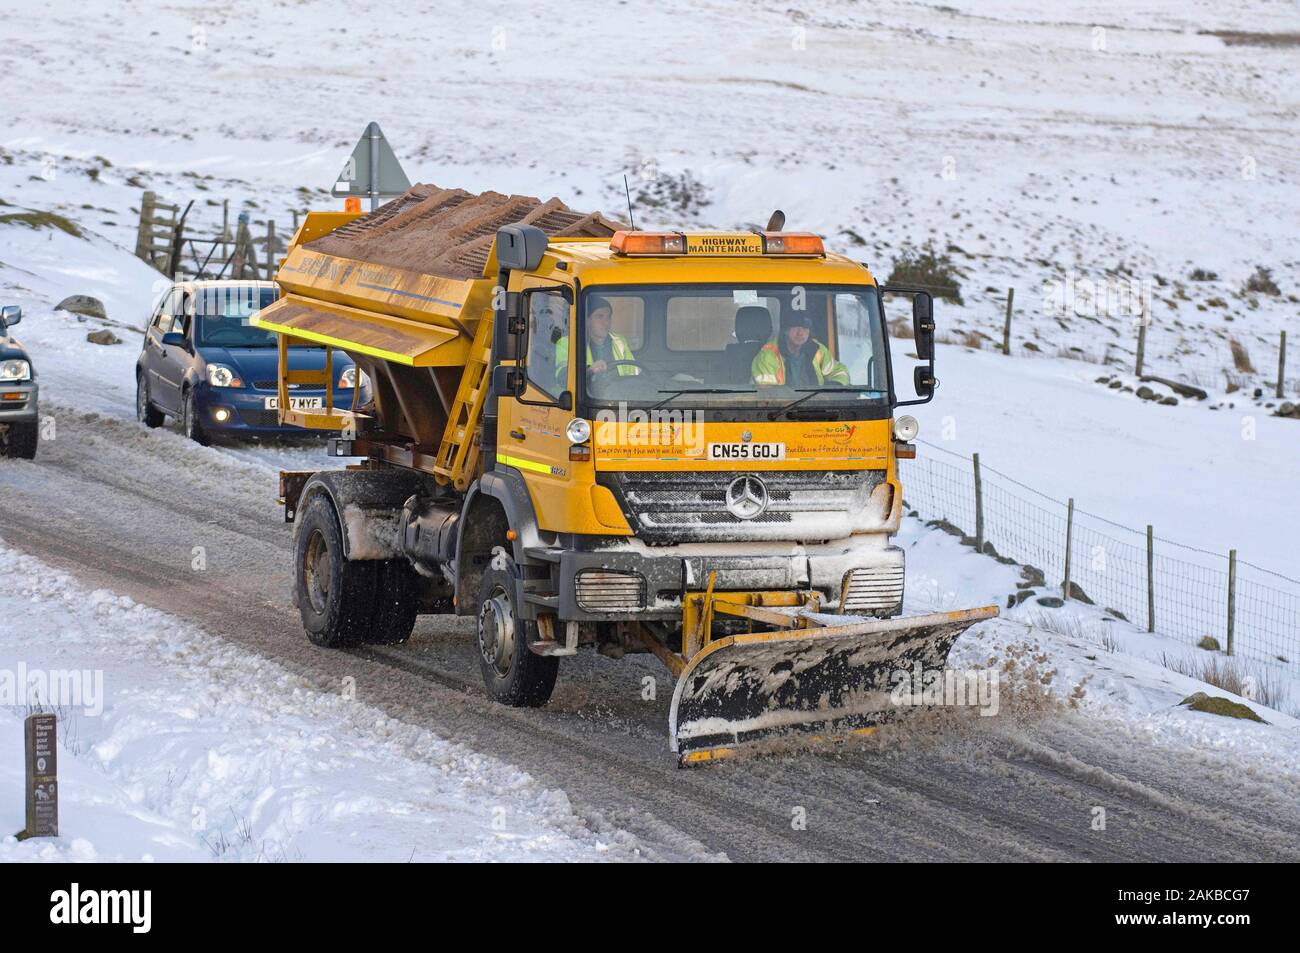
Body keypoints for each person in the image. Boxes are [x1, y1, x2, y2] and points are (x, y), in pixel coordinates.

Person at [555, 295, 639, 388]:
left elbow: (634, 371)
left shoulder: (619, 341)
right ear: (587, 320)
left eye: (608, 317)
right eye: (600, 316)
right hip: (584, 397)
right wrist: (589, 370)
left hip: (617, 395)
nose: (606, 322)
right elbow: (562, 377)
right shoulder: (568, 343)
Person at [751, 310, 849, 388]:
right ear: (786, 330)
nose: (800, 333)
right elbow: (768, 394)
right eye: (795, 327)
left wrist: (836, 385)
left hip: (817, 408)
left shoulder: (817, 349)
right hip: (781, 411)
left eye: (805, 328)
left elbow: (839, 371)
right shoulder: (768, 354)